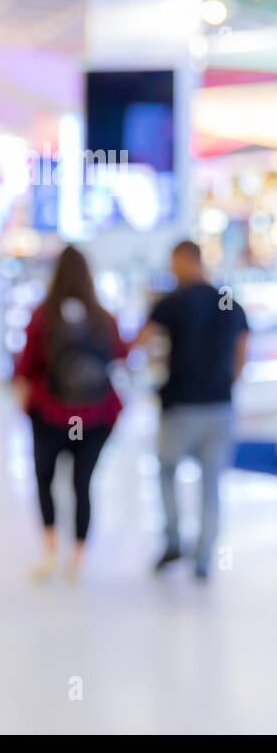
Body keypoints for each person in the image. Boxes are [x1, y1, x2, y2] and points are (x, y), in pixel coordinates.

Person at [134, 240, 249, 581]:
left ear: (185, 260)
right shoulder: (229, 303)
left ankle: (173, 541)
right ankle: (203, 557)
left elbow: (139, 343)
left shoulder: (173, 302)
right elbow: (242, 353)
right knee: (211, 484)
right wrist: (227, 384)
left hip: (180, 406)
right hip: (219, 406)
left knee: (167, 472)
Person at [13, 246, 128, 584]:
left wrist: (26, 405)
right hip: (95, 416)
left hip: (51, 415)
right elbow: (120, 355)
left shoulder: (42, 316)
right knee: (83, 484)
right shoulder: (102, 317)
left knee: (45, 481)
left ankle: (50, 550)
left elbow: (25, 366)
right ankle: (77, 559)